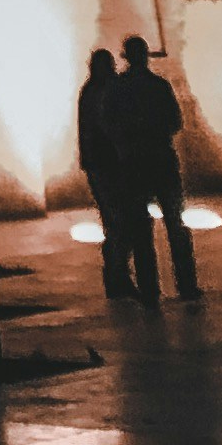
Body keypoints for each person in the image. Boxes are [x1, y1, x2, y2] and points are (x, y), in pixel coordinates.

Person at [109, 34, 201, 304]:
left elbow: (111, 124)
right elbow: (175, 121)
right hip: (161, 159)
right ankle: (186, 285)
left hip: (134, 163)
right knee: (175, 223)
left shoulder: (119, 90)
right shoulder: (159, 86)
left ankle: (150, 289)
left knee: (140, 228)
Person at [76, 48, 133, 299]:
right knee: (120, 221)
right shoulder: (107, 91)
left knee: (115, 222)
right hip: (110, 164)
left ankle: (116, 275)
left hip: (101, 164)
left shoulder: (90, 92)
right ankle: (118, 275)